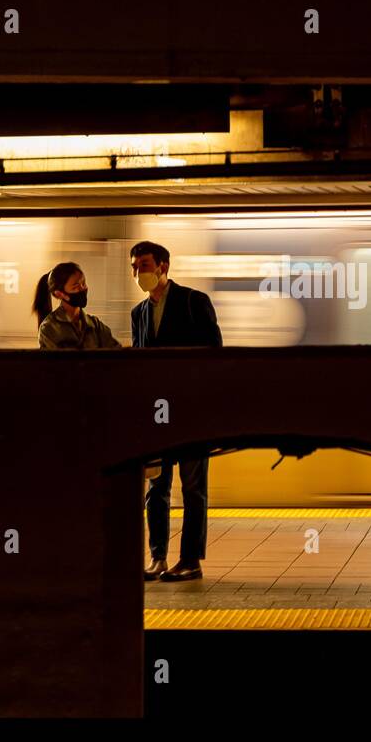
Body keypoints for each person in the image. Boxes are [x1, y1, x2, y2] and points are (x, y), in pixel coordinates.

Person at [131, 240, 222, 582]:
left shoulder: (194, 302)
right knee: (156, 486)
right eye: (136, 266)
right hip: (156, 414)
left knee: (193, 486)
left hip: (191, 409)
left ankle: (190, 560)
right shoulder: (138, 312)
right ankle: (158, 558)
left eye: (144, 264)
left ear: (164, 266)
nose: (139, 272)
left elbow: (213, 351)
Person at [32, 261, 122, 349]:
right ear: (59, 294)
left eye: (83, 283)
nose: (82, 289)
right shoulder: (49, 328)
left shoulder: (95, 325)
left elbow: (116, 352)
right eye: (75, 287)